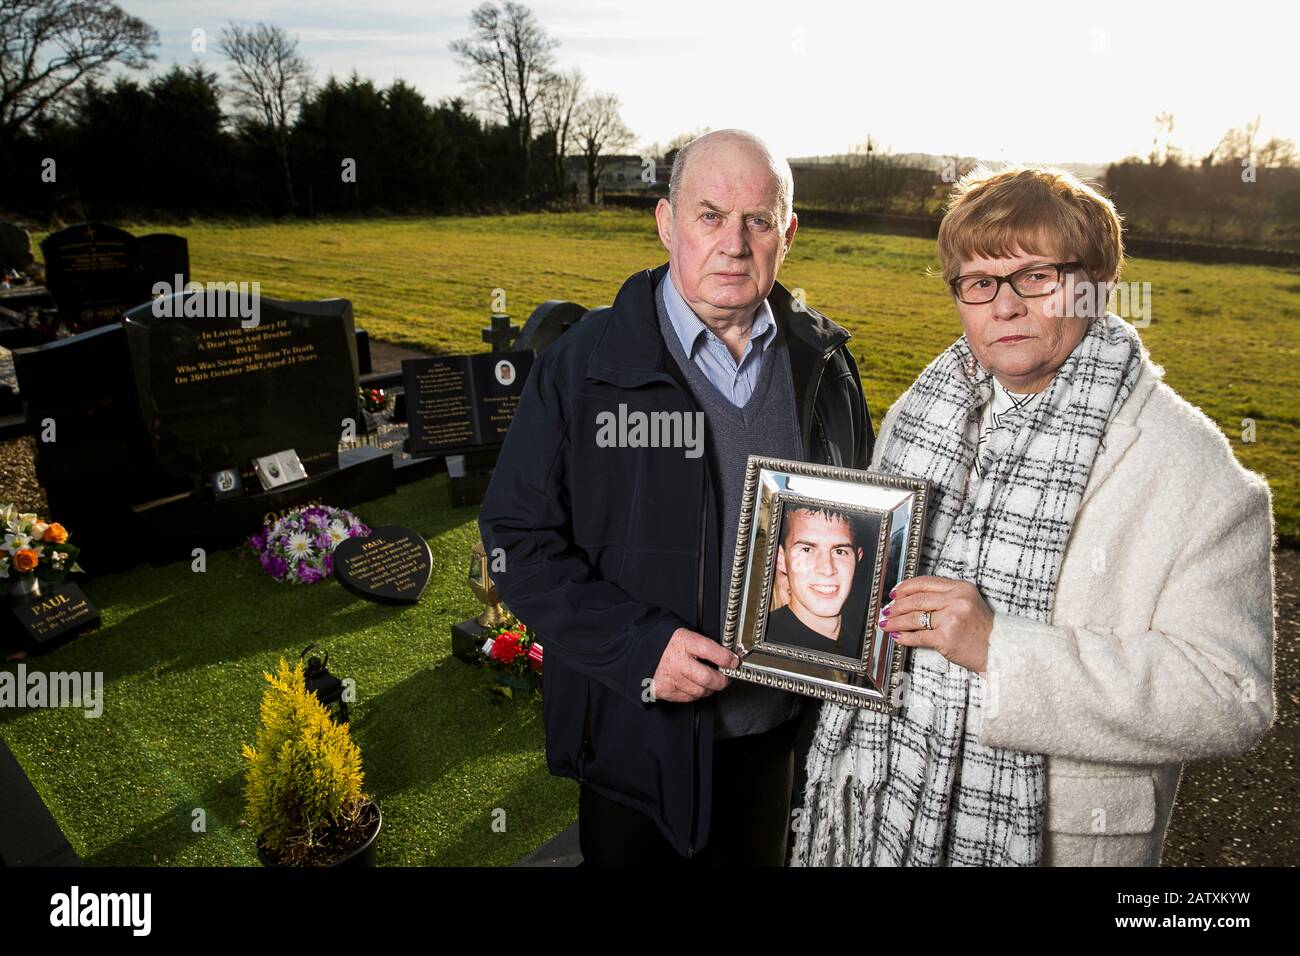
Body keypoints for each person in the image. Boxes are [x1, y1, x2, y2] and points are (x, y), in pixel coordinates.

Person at [793, 164, 1276, 867]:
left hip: (1055, 836)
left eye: (1036, 277)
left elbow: (1231, 696)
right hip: (883, 806)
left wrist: (1001, 649)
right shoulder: (919, 414)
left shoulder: (1189, 465)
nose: (1005, 306)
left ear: (1096, 285)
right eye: (980, 282)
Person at [479, 129, 873, 865]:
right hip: (640, 740)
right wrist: (637, 646)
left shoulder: (825, 363)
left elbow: (860, 529)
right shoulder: (582, 368)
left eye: (758, 220)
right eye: (710, 214)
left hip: (780, 737)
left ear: (787, 235)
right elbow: (515, 539)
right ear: (666, 223)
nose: (734, 242)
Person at [765, 506, 865, 659]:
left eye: (839, 551)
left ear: (857, 559)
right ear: (780, 559)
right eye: (807, 550)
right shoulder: (762, 642)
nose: (827, 569)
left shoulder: (866, 646)